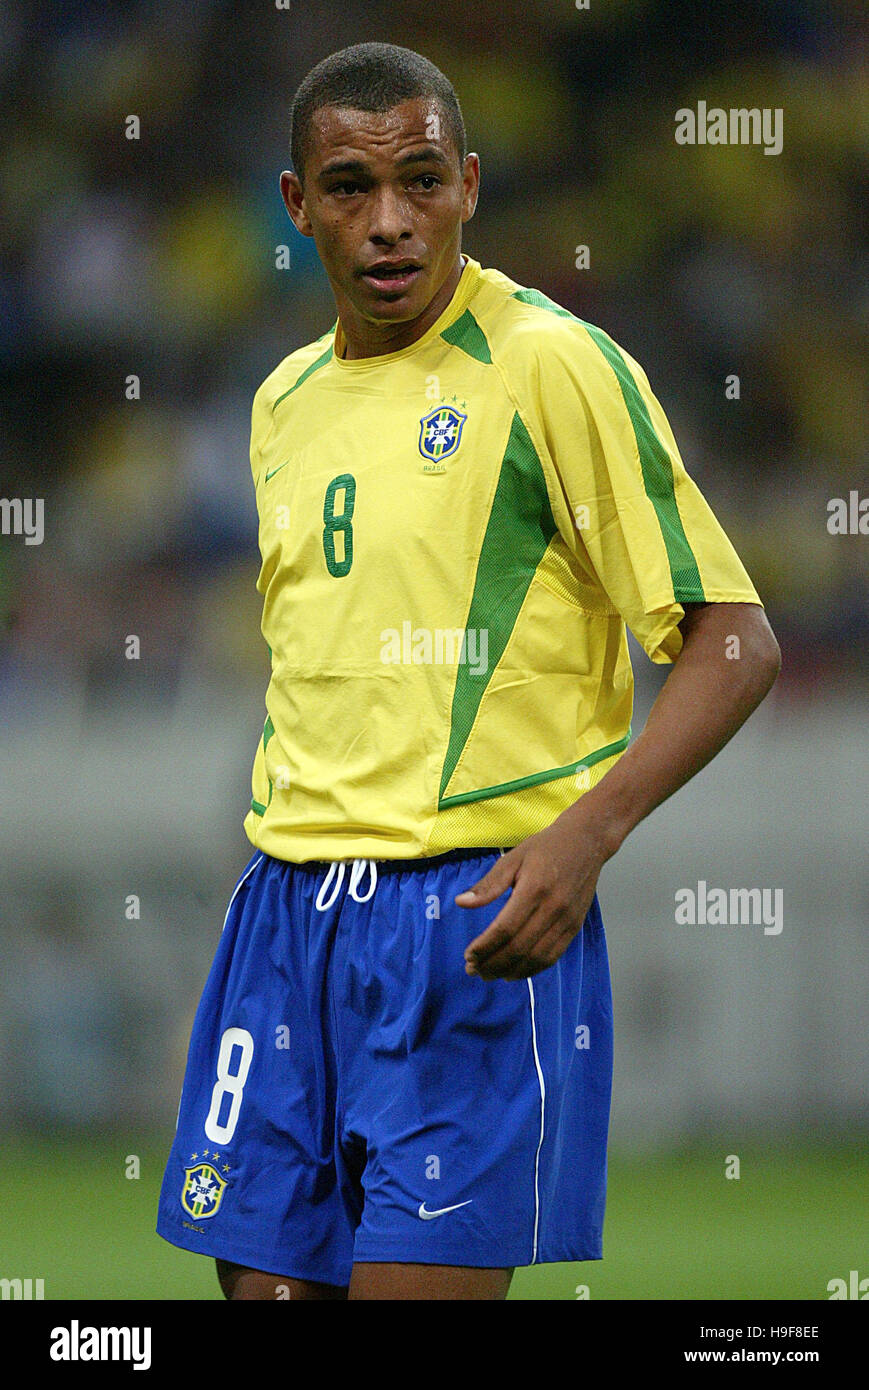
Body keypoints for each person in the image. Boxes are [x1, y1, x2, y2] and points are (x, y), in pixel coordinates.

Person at [156, 42, 781, 1301]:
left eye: (421, 181)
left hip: (466, 921)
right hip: (284, 921)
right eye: (347, 186)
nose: (389, 221)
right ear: (295, 204)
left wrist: (585, 835)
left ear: (469, 187)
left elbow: (734, 639)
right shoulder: (281, 403)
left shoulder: (551, 364)